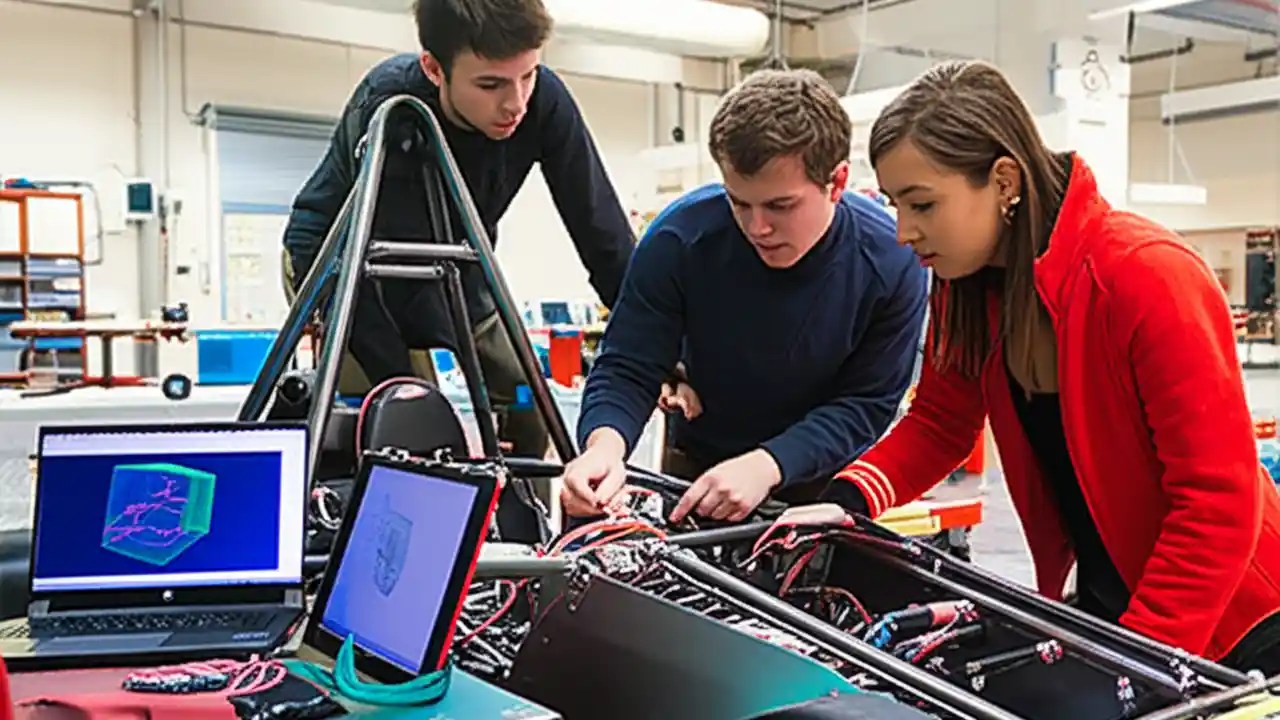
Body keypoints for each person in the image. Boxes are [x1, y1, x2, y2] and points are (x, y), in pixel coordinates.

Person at [776, 59, 1280, 672]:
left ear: (1005, 180)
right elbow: (940, 421)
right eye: (895, 206)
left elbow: (1215, 502)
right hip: (1110, 601)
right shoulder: (971, 283)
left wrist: (1137, 662)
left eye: (923, 205)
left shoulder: (1145, 276)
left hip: (1237, 622)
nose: (904, 232)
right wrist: (848, 499)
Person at [561, 69, 929, 524]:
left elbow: (865, 404)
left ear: (836, 183)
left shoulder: (892, 260)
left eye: (780, 206)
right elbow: (628, 364)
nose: (758, 227)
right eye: (739, 202)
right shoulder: (681, 239)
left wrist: (768, 464)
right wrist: (605, 446)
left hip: (822, 483)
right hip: (698, 468)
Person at [282, 0, 636, 457]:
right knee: (399, 424)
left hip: (457, 265)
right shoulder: (390, 105)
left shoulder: (543, 101)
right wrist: (424, 414)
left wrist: (654, 350)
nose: (515, 103)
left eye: (527, 75)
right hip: (344, 270)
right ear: (433, 68)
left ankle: (514, 522)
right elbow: (371, 274)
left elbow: (600, 228)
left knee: (528, 408)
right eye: (490, 84)